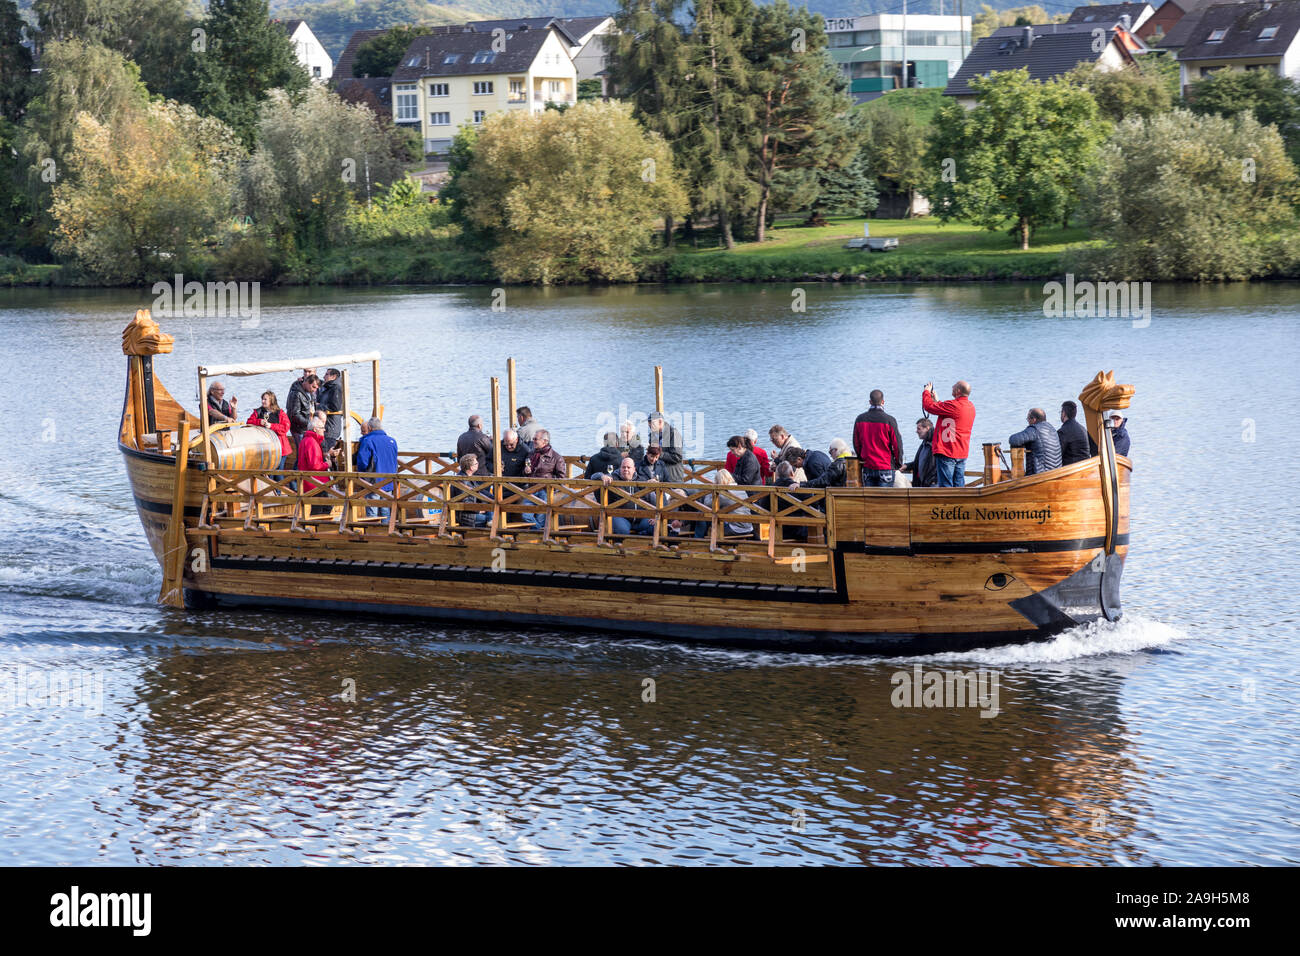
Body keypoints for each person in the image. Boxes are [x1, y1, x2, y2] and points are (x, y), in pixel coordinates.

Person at [922, 380, 976, 488]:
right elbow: (949, 414)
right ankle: (960, 504)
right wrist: (937, 401)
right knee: (959, 486)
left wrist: (926, 392)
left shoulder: (954, 405)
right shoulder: (970, 407)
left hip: (948, 451)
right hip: (961, 452)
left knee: (946, 487)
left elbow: (928, 406)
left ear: (958, 391)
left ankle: (948, 505)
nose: (952, 386)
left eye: (954, 386)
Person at [853, 389, 904, 487]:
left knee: (870, 500)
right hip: (885, 466)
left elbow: (856, 443)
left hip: (868, 466)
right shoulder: (890, 420)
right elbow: (897, 444)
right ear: (883, 402)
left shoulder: (860, 419)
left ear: (870, 402)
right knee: (884, 501)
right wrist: (898, 463)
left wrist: (861, 457)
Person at [599, 457, 655, 536]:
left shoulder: (641, 480)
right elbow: (594, 476)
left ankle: (641, 540)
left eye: (628, 467)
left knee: (655, 525)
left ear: (634, 469)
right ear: (620, 468)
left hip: (641, 518)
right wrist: (602, 476)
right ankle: (618, 547)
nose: (626, 469)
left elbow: (653, 498)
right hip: (621, 517)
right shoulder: (613, 479)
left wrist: (655, 516)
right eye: (623, 467)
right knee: (622, 530)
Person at [356, 416, 398, 518]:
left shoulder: (367, 441)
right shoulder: (392, 441)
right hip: (389, 480)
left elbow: (363, 462)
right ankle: (387, 531)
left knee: (372, 510)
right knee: (385, 510)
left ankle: (372, 531)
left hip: (373, 481)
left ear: (369, 428)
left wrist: (361, 476)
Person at [523, 429, 566, 530]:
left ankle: (539, 538)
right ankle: (541, 534)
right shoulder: (531, 454)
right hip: (531, 490)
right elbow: (523, 473)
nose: (533, 441)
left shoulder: (556, 457)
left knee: (541, 518)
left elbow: (561, 478)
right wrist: (525, 471)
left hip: (545, 492)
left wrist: (548, 484)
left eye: (535, 439)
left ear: (545, 441)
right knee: (526, 516)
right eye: (533, 438)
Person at [694, 470, 754, 539]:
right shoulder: (741, 489)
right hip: (748, 527)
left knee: (702, 515)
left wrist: (710, 491)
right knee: (712, 517)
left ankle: (697, 540)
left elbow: (707, 503)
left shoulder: (725, 493)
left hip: (736, 529)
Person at [1009, 408, 1062, 475]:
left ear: (1034, 419)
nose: (1028, 421)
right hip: (1056, 473)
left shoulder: (1034, 429)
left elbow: (1013, 440)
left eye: (1028, 419)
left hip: (1040, 475)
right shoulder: (1052, 429)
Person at [296, 415, 331, 516]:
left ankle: (316, 528)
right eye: (321, 428)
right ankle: (315, 529)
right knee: (321, 509)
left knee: (323, 508)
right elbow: (314, 465)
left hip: (312, 481)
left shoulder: (307, 440)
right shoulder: (311, 442)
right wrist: (327, 464)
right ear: (315, 429)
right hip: (315, 482)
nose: (324, 430)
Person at [246, 390, 290, 469]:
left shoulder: (280, 413)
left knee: (279, 474)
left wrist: (271, 426)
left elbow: (285, 427)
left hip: (280, 448)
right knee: (269, 474)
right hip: (265, 449)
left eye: (265, 399)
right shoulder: (258, 412)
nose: (262, 401)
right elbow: (249, 422)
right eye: (262, 399)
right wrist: (259, 422)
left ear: (271, 401)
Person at [645, 411, 685, 482]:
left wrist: (658, 454)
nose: (649, 424)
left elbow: (677, 457)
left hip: (673, 477)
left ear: (660, 422)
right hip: (658, 477)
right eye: (649, 422)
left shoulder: (673, 434)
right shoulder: (652, 435)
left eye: (652, 422)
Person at [454, 454, 490, 527]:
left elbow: (481, 492)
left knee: (493, 511)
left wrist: (493, 498)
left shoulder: (469, 478)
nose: (478, 464)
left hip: (472, 513)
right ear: (471, 467)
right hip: (464, 516)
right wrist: (478, 510)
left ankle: (491, 524)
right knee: (493, 518)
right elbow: (464, 502)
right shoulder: (461, 481)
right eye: (476, 463)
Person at [287, 373, 320, 447]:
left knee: (307, 451)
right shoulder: (296, 393)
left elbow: (312, 407)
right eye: (313, 387)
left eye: (316, 388)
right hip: (299, 429)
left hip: (308, 427)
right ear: (307, 382)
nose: (314, 390)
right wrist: (309, 423)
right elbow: (295, 414)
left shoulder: (310, 392)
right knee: (302, 451)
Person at [903, 418, 938, 488]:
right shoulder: (924, 443)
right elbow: (921, 462)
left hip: (932, 485)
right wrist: (907, 466)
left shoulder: (935, 444)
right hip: (924, 484)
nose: (916, 431)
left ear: (927, 428)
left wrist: (932, 482)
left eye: (919, 429)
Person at [1057, 400, 1090, 465]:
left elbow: (1058, 454)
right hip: (1086, 466)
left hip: (1071, 469)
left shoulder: (1063, 431)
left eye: (1061, 412)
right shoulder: (1083, 429)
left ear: (1064, 413)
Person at [317, 369, 344, 447]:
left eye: (326, 374)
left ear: (333, 376)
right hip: (326, 426)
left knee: (327, 452)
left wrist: (319, 406)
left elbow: (335, 406)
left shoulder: (336, 388)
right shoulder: (328, 387)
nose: (324, 376)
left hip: (331, 427)